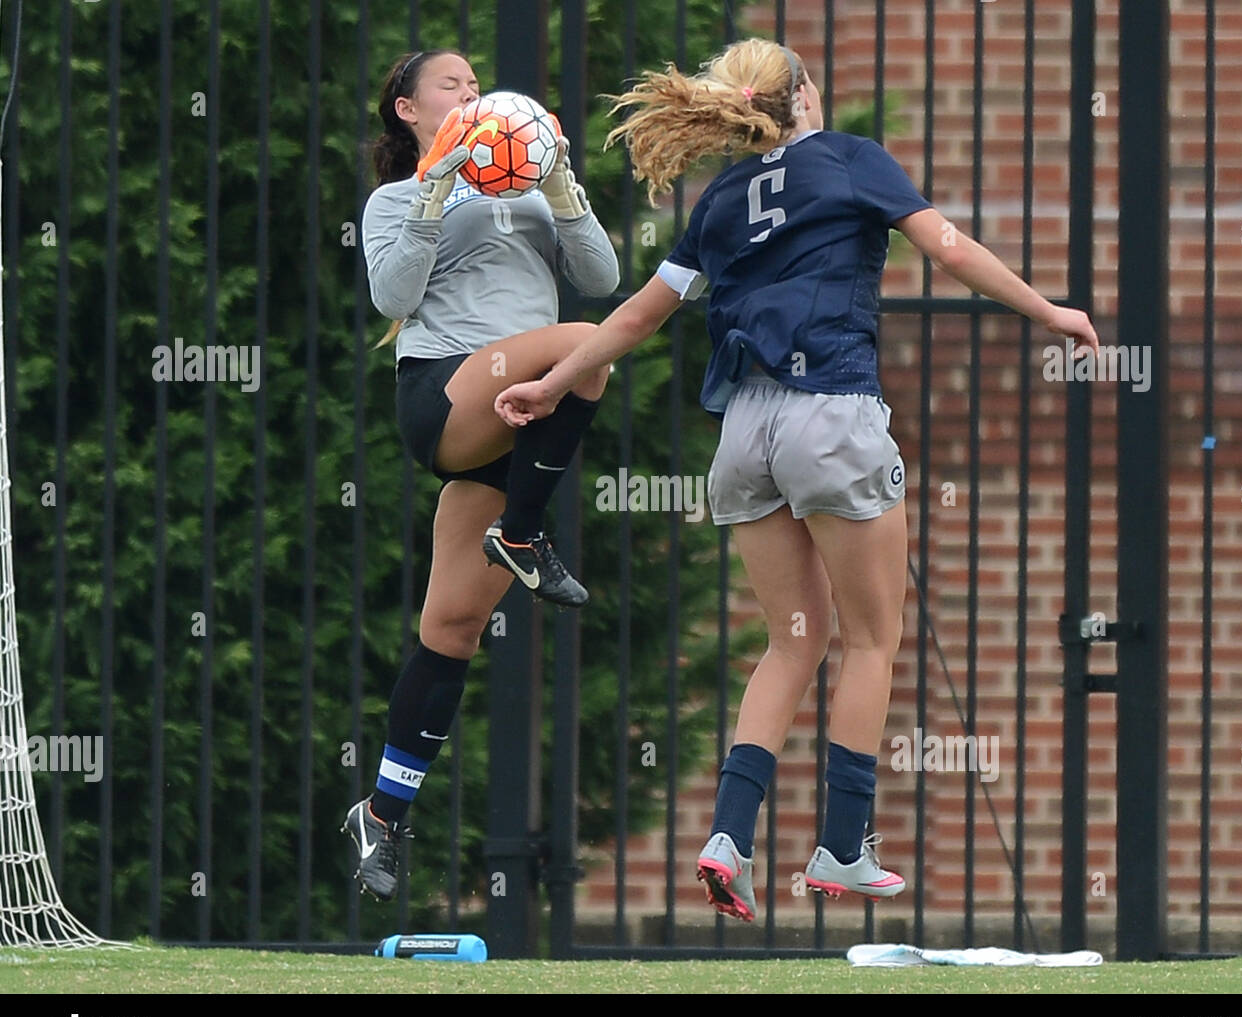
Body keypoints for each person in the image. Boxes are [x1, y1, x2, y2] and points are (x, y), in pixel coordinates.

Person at [494, 37, 1099, 921]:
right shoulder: (852, 159)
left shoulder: (723, 197)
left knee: (791, 641)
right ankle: (842, 848)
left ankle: (728, 838)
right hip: (831, 414)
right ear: (805, 94)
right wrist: (1048, 309)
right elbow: (952, 247)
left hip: (744, 432)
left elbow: (640, 313)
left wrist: (551, 381)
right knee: (870, 637)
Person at [341, 48, 620, 902]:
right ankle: (526, 534)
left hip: (518, 419)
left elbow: (602, 275)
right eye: (449, 86)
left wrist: (563, 183)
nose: (471, 93)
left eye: (475, 83)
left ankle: (382, 816)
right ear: (409, 112)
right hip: (446, 393)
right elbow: (393, 297)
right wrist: (434, 186)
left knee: (452, 628)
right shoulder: (395, 199)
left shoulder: (531, 193)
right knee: (586, 345)